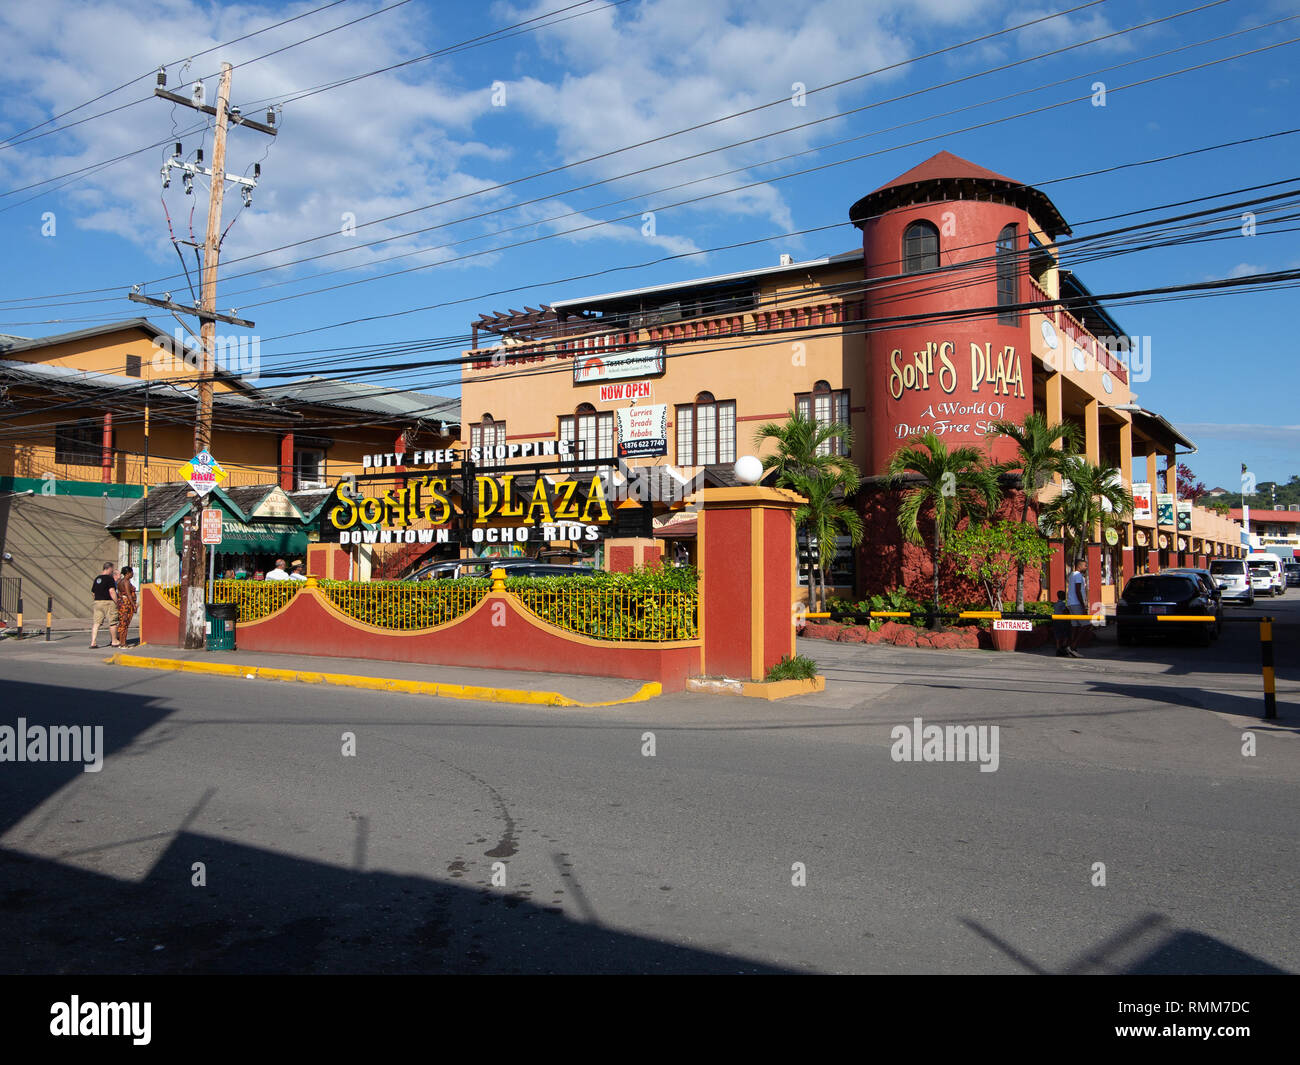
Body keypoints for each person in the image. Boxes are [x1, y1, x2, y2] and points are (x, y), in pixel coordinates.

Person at [89, 562, 119, 649]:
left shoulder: (97, 578)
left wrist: (97, 599)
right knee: (113, 622)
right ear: (109, 569)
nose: (112, 571)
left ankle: (93, 642)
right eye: (112, 569)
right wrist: (117, 602)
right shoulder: (109, 579)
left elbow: (93, 593)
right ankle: (114, 641)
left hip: (97, 602)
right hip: (108, 602)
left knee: (96, 623)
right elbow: (112, 591)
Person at [1066, 558, 1088, 657]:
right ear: (1079, 566)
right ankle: (1073, 646)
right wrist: (1083, 605)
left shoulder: (1071, 575)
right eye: (1084, 565)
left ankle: (1071, 648)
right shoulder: (1078, 575)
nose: (1086, 567)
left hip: (1070, 603)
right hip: (1076, 603)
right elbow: (1078, 590)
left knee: (1074, 626)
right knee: (1086, 625)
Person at [115, 566, 137, 648]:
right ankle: (123, 643)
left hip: (121, 603)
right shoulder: (126, 582)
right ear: (128, 573)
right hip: (126, 604)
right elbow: (128, 594)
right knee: (125, 623)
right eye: (131, 572)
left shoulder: (119, 581)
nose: (133, 574)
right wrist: (133, 605)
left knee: (122, 623)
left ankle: (121, 642)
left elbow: (120, 593)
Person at [1051, 590, 1071, 657]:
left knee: (1058, 635)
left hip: (1056, 620)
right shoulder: (1062, 604)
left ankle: (1058, 648)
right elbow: (1064, 611)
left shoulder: (1055, 604)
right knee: (1066, 634)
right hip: (1062, 620)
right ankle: (1063, 647)